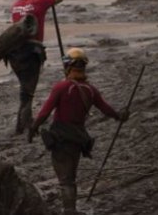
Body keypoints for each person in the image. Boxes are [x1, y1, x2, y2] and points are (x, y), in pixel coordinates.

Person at [27, 48, 129, 215]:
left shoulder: (62, 87)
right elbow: (107, 110)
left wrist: (33, 128)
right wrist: (120, 116)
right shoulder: (90, 90)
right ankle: (71, 209)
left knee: (65, 180)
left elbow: (45, 112)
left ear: (67, 66)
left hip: (60, 138)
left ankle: (69, 211)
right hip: (78, 138)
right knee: (70, 178)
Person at [7, 0, 64, 135]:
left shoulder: (15, 5)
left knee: (25, 89)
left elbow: (45, 0)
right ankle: (24, 125)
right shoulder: (39, 2)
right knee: (28, 92)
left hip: (14, 54)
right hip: (31, 53)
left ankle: (23, 123)